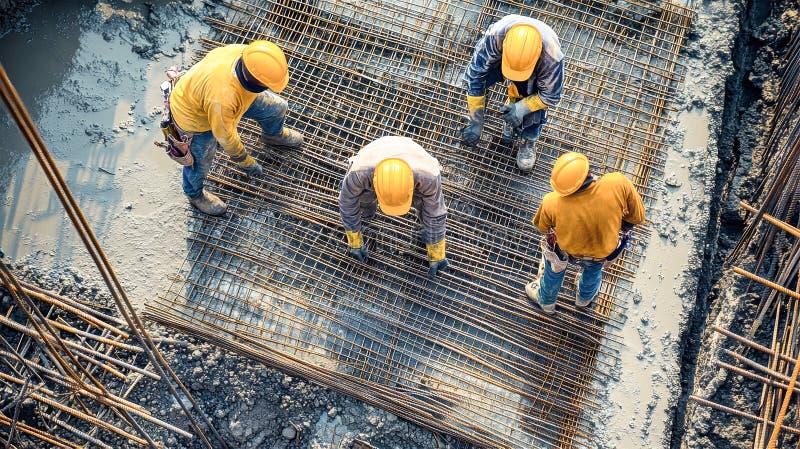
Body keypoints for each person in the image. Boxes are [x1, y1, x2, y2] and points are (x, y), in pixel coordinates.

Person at [169, 40, 304, 216]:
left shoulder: (247, 57)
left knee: (277, 108)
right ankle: (195, 195)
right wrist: (244, 161)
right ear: (254, 81)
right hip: (194, 118)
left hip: (231, 95)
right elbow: (226, 137)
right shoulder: (222, 99)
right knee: (201, 159)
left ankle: (273, 135)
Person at [525, 152, 645, 314]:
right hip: (602, 251)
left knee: (554, 266)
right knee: (593, 271)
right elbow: (637, 217)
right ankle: (584, 300)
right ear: (587, 171)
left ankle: (546, 301)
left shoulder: (552, 202)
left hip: (568, 249)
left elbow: (542, 228)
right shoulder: (617, 183)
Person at [461, 14, 564, 172]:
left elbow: (550, 96)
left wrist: (522, 108)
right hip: (504, 60)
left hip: (536, 72)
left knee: (533, 102)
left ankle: (528, 140)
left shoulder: (551, 56)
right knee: (478, 81)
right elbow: (474, 77)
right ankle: (502, 112)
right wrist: (476, 120)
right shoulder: (495, 37)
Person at [339, 136, 449, 279]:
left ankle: (423, 233)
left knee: (426, 207)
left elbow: (435, 214)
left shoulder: (428, 178)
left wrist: (437, 254)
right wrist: (354, 242)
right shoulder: (358, 174)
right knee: (361, 201)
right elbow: (347, 204)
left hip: (414, 160)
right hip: (373, 155)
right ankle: (365, 218)